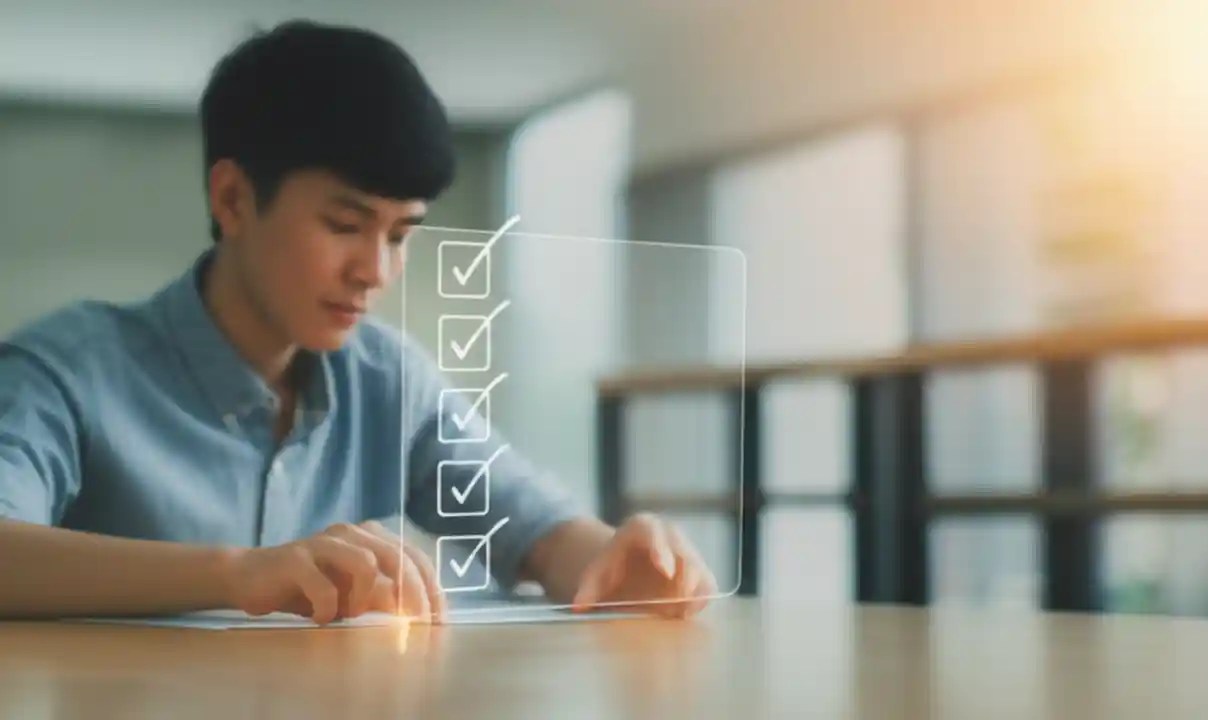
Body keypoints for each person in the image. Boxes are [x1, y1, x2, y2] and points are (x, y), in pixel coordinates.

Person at [0, 20, 716, 625]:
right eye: (345, 224)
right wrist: (237, 575)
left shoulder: (389, 380)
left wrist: (618, 560)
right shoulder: (67, 370)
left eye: (401, 235)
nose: (375, 269)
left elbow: (534, 533)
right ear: (233, 199)